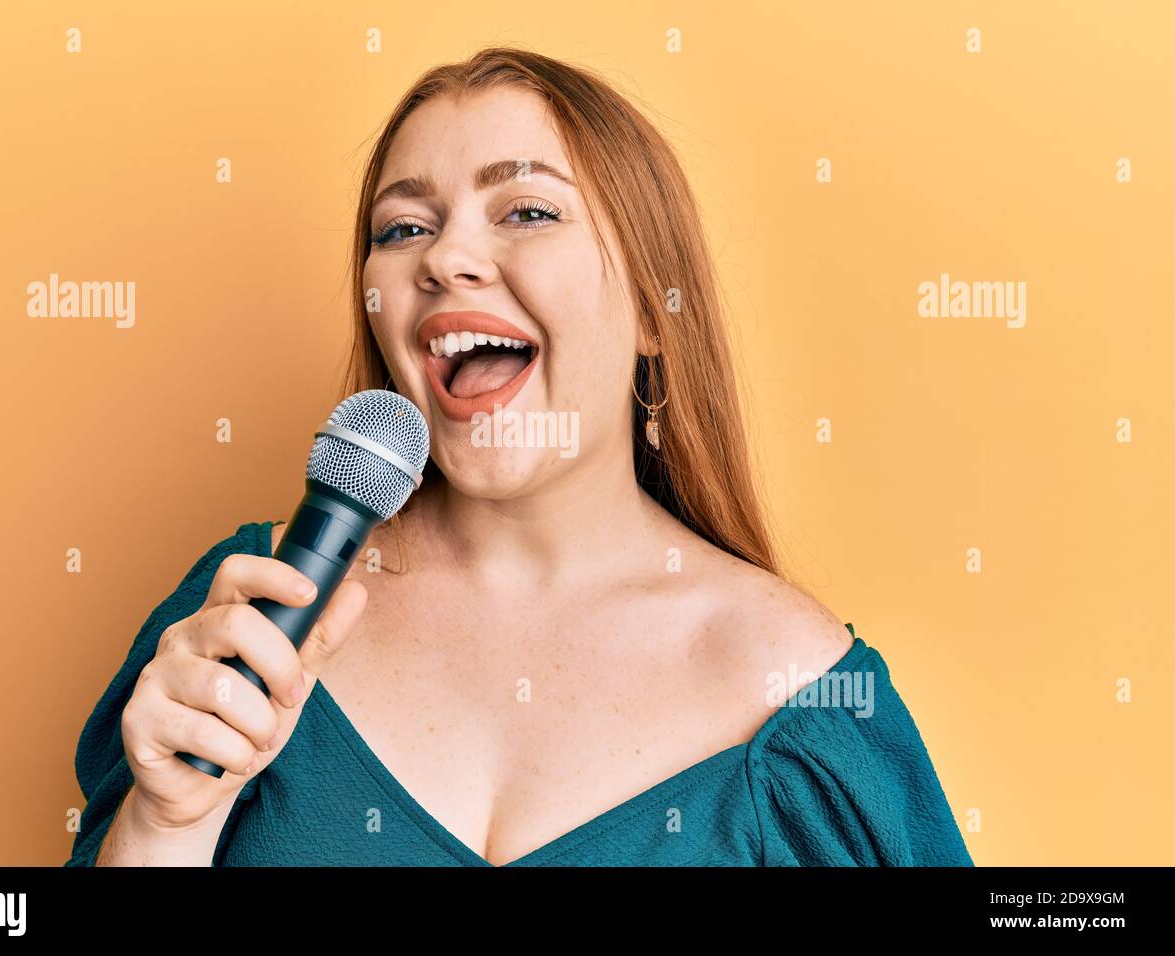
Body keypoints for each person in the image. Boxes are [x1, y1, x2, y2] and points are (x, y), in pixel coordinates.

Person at [67, 47, 973, 867]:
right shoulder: (250, 621)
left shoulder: (803, 697)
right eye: (403, 228)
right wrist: (166, 828)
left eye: (528, 210)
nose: (448, 257)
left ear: (658, 309)